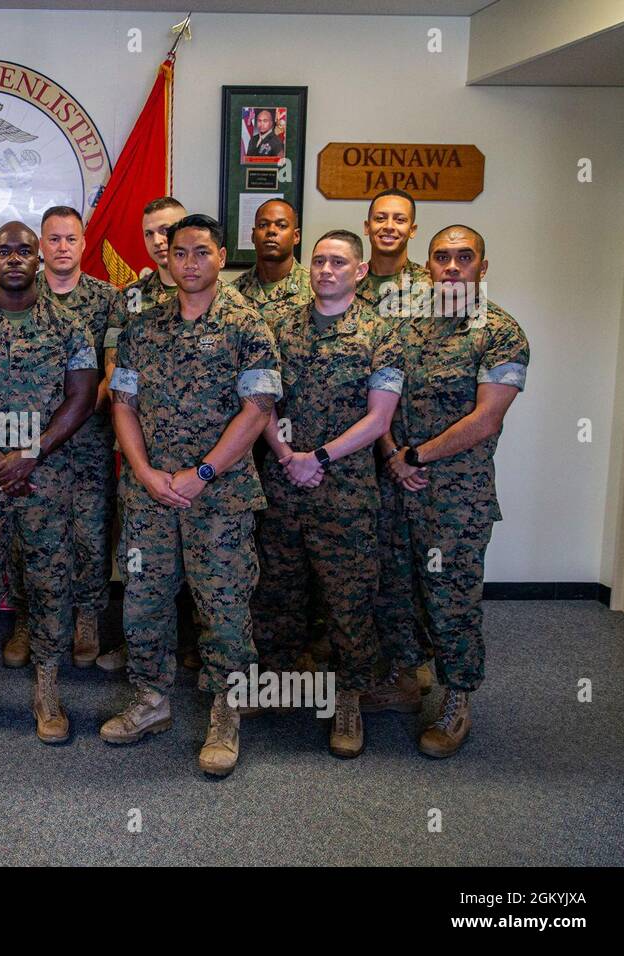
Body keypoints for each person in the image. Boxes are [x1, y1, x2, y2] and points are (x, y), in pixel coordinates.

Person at [98, 214, 280, 778]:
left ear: (222, 256)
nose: (190, 263)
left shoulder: (249, 326)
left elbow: (258, 411)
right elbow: (122, 405)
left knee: (223, 604)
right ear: (167, 259)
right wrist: (146, 472)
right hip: (150, 494)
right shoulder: (140, 329)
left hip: (219, 497)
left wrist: (202, 473)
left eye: (202, 252)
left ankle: (227, 710)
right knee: (144, 600)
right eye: (180, 253)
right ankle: (152, 698)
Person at [0, 221, 98, 744]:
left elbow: (82, 398)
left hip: (47, 478)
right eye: (3, 251)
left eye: (23, 251)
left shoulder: (70, 325)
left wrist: (30, 454)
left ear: (38, 260)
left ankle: (46, 693)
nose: (13, 259)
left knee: (51, 584)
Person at [371, 225, 528, 757]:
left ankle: (457, 698)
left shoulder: (501, 333)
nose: (453, 266)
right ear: (428, 264)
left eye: (465, 257)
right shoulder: (404, 321)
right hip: (397, 483)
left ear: (483, 266)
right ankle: (404, 680)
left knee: (450, 599)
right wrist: (394, 453)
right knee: (396, 589)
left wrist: (417, 456)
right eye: (442, 257)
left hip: (456, 498)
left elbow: (486, 419)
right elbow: (381, 398)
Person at [249, 230, 403, 758]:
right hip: (284, 480)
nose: (326, 269)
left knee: (348, 599)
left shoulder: (382, 333)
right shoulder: (278, 325)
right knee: (277, 591)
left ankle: (350, 702)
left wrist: (317, 459)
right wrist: (288, 456)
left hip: (346, 490)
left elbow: (379, 418)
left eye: (338, 262)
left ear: (360, 272)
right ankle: (279, 684)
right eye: (319, 261)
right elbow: (261, 401)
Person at [5, 205, 118, 670]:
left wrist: (71, 419)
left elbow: (112, 370)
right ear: (39, 248)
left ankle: (86, 618)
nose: (62, 248)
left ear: (84, 243)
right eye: (53, 239)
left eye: (70, 239)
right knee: (27, 531)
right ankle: (28, 618)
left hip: (87, 436)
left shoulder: (108, 299)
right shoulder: (20, 296)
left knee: (90, 533)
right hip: (29, 443)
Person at [95, 195, 189, 673]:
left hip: (199, 452)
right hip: (141, 448)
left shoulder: (212, 291)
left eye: (168, 230)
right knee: (139, 554)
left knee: (205, 561)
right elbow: (113, 369)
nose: (159, 241)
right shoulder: (130, 296)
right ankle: (141, 648)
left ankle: (192, 646)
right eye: (150, 233)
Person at [358, 188, 438, 703]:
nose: (389, 225)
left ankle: (419, 665)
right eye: (380, 218)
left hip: (417, 448)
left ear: (413, 229)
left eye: (400, 219)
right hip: (358, 448)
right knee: (372, 560)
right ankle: (386, 663)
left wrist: (404, 453)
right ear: (367, 226)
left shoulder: (436, 289)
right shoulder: (349, 279)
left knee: (420, 562)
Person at [231, 198, 311, 317]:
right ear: (253, 235)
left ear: (296, 236)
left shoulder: (315, 289)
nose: (271, 230)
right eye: (263, 225)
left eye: (282, 225)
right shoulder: (233, 293)